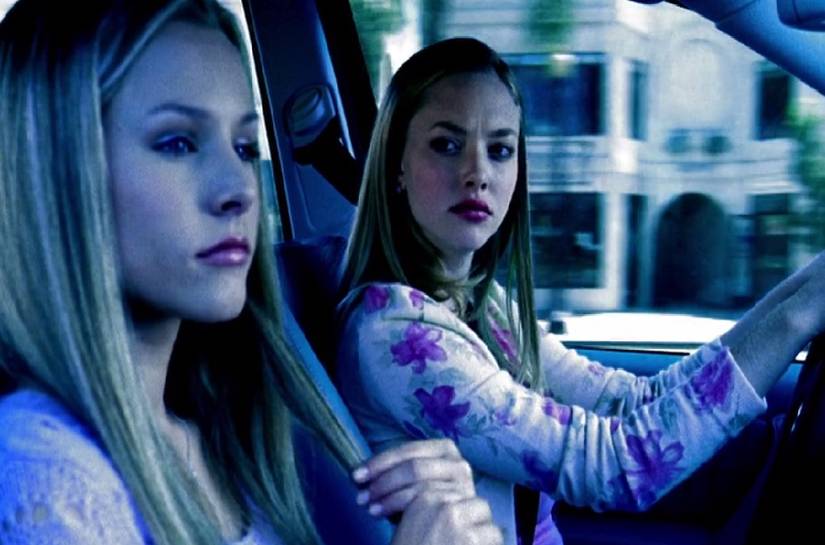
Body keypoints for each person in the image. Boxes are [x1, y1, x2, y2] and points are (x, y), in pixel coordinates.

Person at [0, 2, 503, 545]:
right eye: (177, 143)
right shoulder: (44, 474)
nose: (240, 189)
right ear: (52, 169)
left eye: (243, 148)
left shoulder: (227, 435)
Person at [335, 36, 825, 545]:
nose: (477, 173)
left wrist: (804, 292)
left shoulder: (479, 302)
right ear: (396, 164)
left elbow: (631, 401)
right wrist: (798, 320)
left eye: (500, 150)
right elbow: (615, 467)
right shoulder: (396, 332)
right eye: (447, 145)